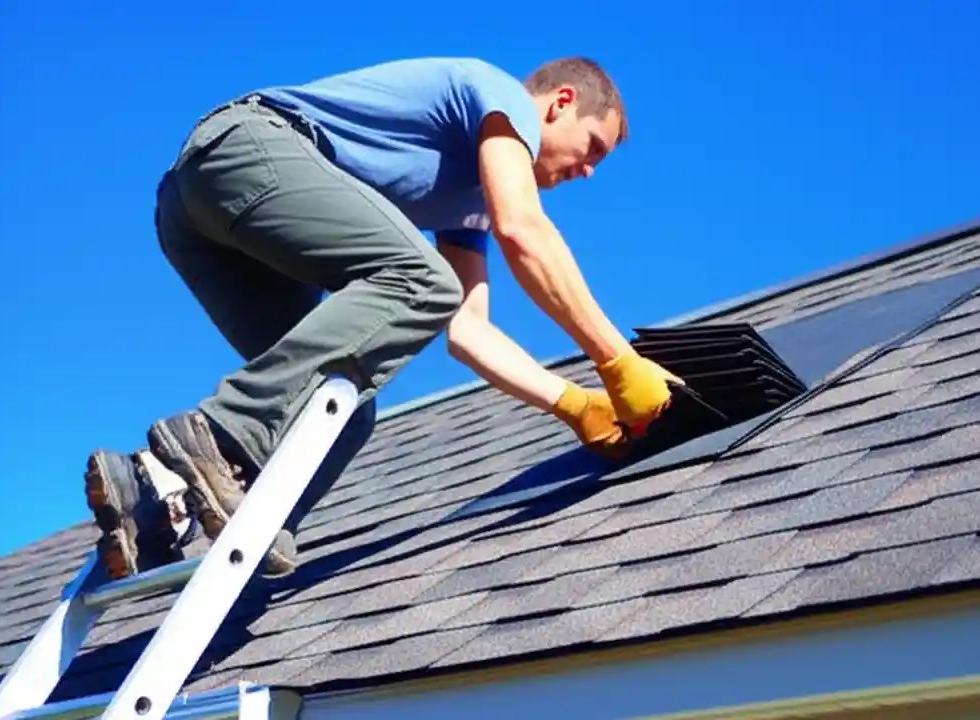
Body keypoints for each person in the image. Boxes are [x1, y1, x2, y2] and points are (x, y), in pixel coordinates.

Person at [83, 56, 681, 582]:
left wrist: (575, 405)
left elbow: (468, 333)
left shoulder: (467, 207)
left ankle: (160, 500)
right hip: (245, 152)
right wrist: (619, 362)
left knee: (339, 406)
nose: (588, 172)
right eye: (593, 148)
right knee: (423, 281)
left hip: (197, 214)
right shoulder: (501, 98)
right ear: (560, 103)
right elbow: (522, 228)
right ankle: (217, 436)